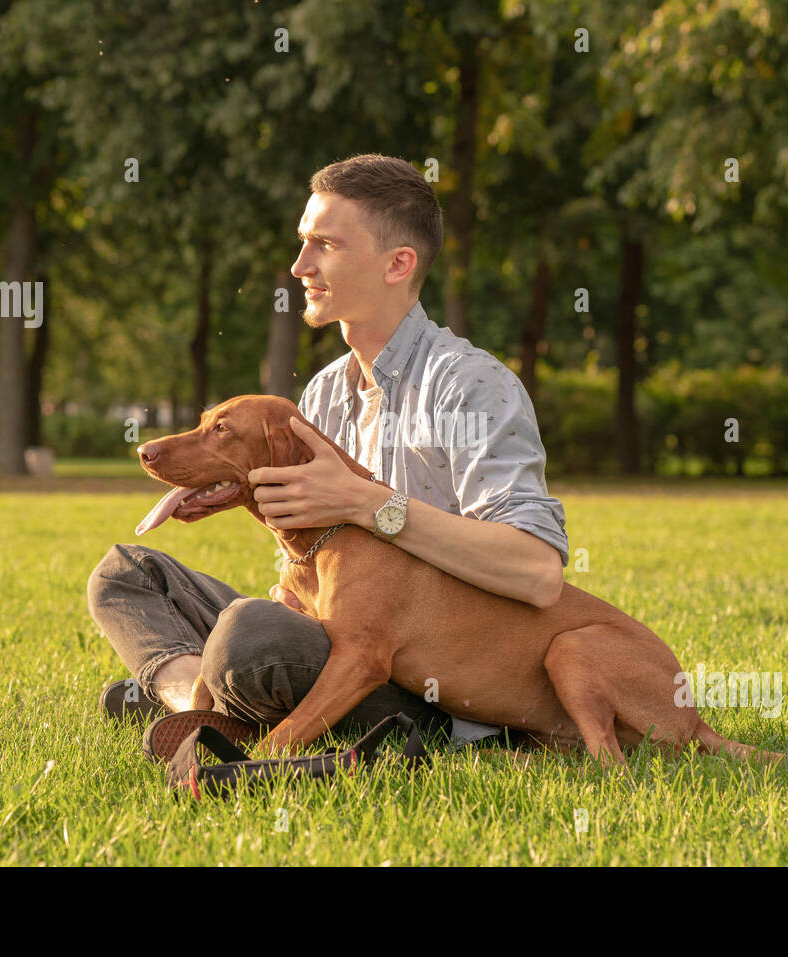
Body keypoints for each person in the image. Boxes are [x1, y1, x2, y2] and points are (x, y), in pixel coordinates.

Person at [89, 153, 569, 748]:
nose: (299, 266)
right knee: (129, 575)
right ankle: (199, 700)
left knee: (251, 636)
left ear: (398, 264)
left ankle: (217, 697)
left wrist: (372, 505)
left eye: (325, 245)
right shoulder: (323, 393)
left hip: (431, 683)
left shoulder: (470, 385)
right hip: (336, 631)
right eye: (301, 243)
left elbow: (538, 570)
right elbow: (313, 556)